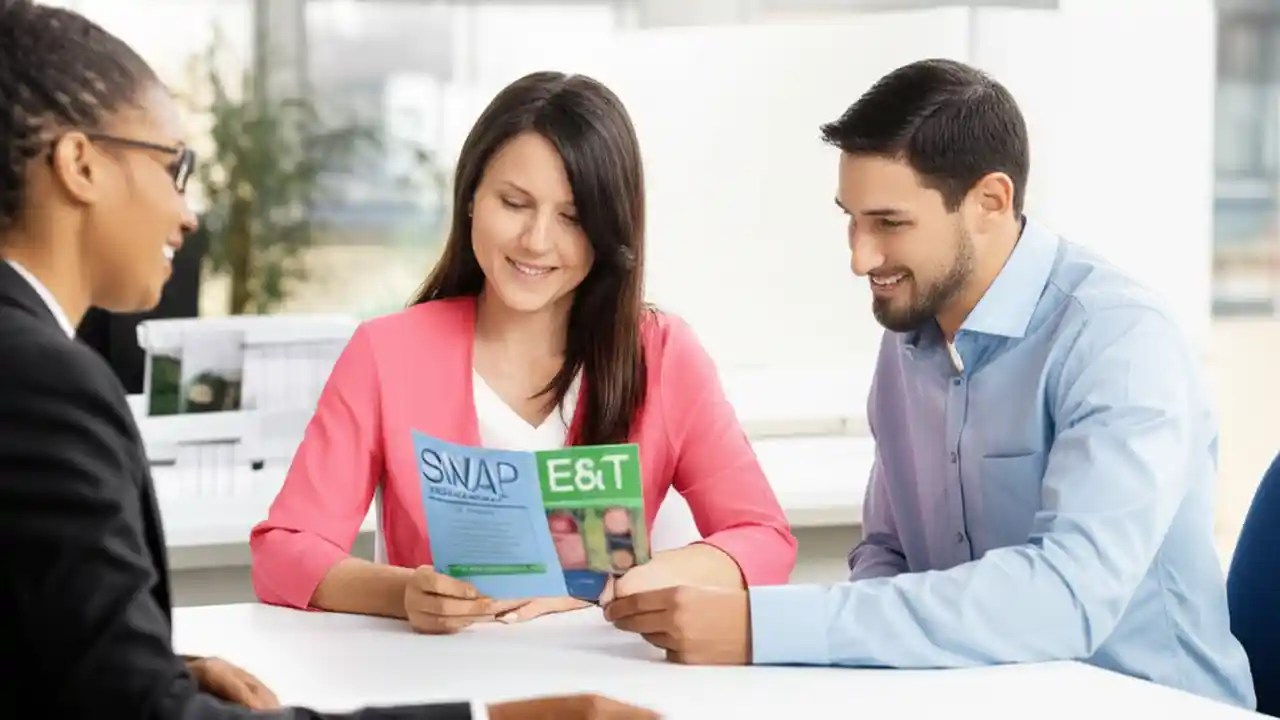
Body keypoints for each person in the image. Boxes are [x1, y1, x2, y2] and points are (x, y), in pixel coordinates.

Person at [0, 2, 655, 718]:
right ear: (79, 164)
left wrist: (160, 668)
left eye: (571, 215)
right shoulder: (48, 385)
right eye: (172, 166)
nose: (189, 214)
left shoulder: (660, 348)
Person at [603, 57, 1257, 710]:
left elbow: (1067, 599)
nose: (860, 257)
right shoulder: (908, 341)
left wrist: (760, 626)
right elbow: (886, 552)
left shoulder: (1119, 341)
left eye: (890, 224)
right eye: (851, 219)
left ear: (989, 203)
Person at [249, 70, 797, 633]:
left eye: (573, 217)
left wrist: (615, 581)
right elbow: (283, 553)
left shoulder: (662, 353)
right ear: (470, 199)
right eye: (514, 203)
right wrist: (403, 593)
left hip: (612, 677)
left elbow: (763, 541)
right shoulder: (386, 353)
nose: (537, 240)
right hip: (443, 680)